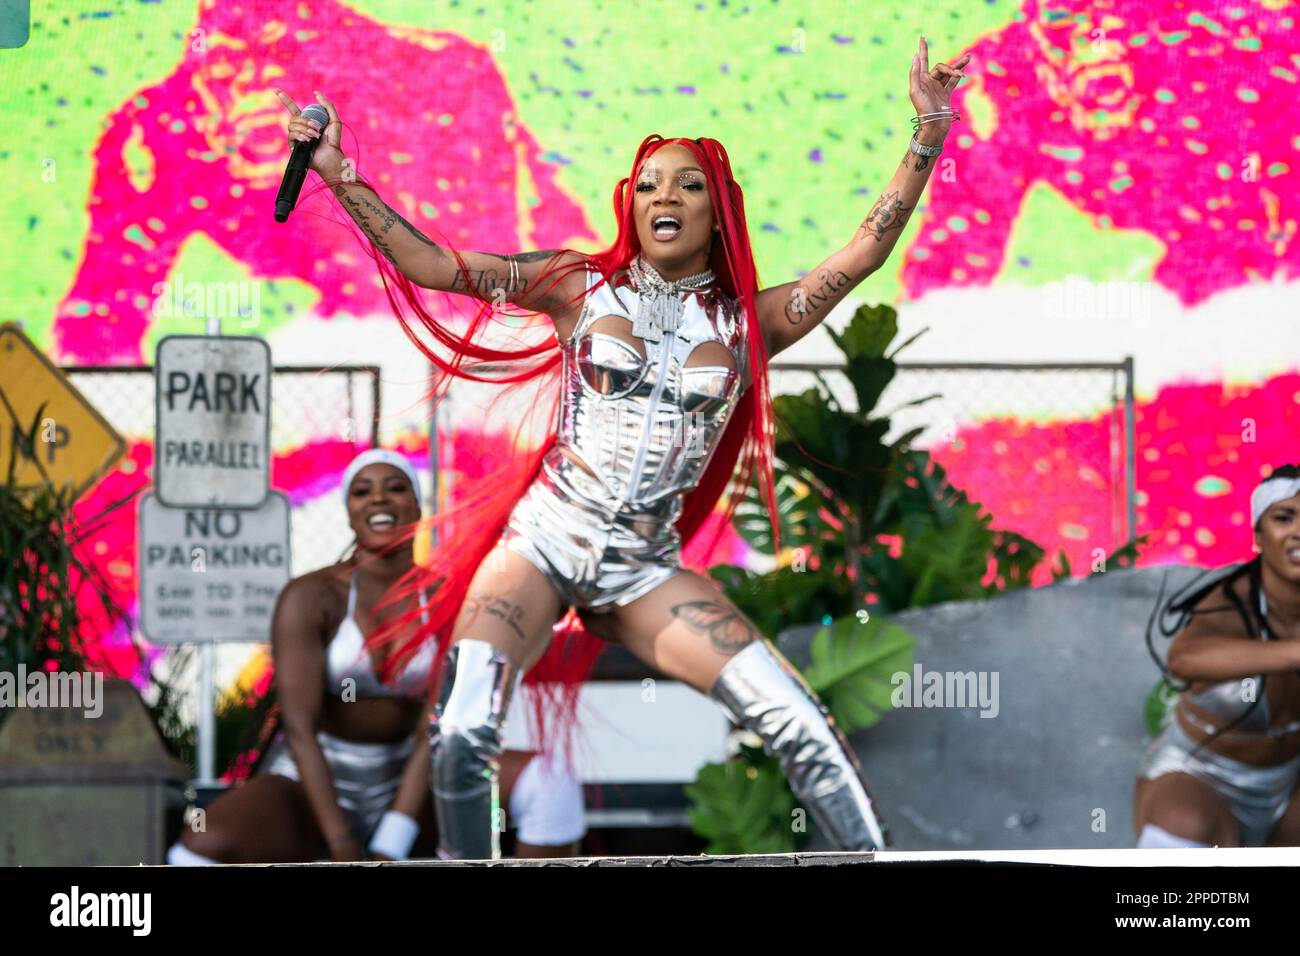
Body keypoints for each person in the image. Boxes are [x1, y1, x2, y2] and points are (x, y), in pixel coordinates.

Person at [274, 36, 971, 859]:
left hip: (644, 566)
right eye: (646, 184)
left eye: (686, 182)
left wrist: (928, 130)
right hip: (544, 541)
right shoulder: (578, 287)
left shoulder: (752, 325)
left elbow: (865, 252)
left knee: (798, 722)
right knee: (463, 726)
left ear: (719, 209)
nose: (662, 195)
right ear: (629, 205)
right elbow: (434, 266)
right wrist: (335, 170)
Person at [166, 449, 585, 864]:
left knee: (551, 784)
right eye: (362, 491)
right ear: (349, 511)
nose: (379, 499)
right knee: (196, 850)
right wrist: (341, 842)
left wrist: (393, 839)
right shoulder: (311, 596)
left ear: (417, 505)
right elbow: (299, 727)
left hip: (416, 780)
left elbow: (437, 725)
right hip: (314, 786)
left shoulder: (446, 601)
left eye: (396, 488)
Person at [1134, 465, 1300, 847]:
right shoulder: (1231, 603)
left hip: (1287, 784)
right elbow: (1184, 660)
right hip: (1202, 778)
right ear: (1259, 534)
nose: (1297, 531)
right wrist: (1291, 653)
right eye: (1283, 518)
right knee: (1184, 824)